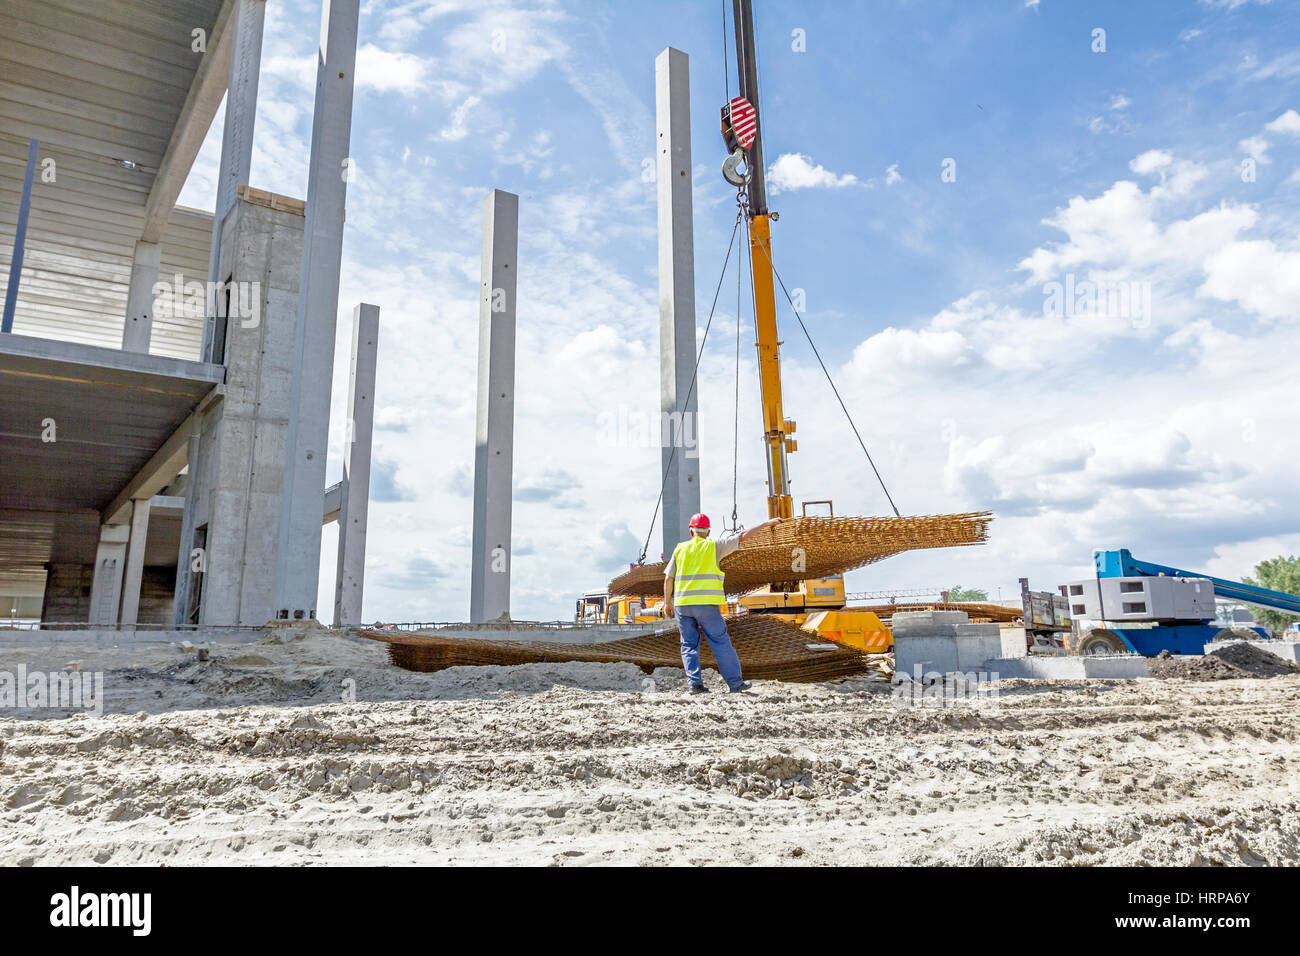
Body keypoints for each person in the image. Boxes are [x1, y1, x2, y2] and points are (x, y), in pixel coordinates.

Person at [663, 512, 780, 694]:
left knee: (688, 645)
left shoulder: (680, 549)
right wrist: (767, 523)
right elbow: (743, 536)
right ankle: (735, 683)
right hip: (706, 606)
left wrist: (667, 604)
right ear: (708, 532)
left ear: (691, 531)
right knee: (720, 642)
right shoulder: (714, 546)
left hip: (683, 605)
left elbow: (668, 579)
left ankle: (695, 685)